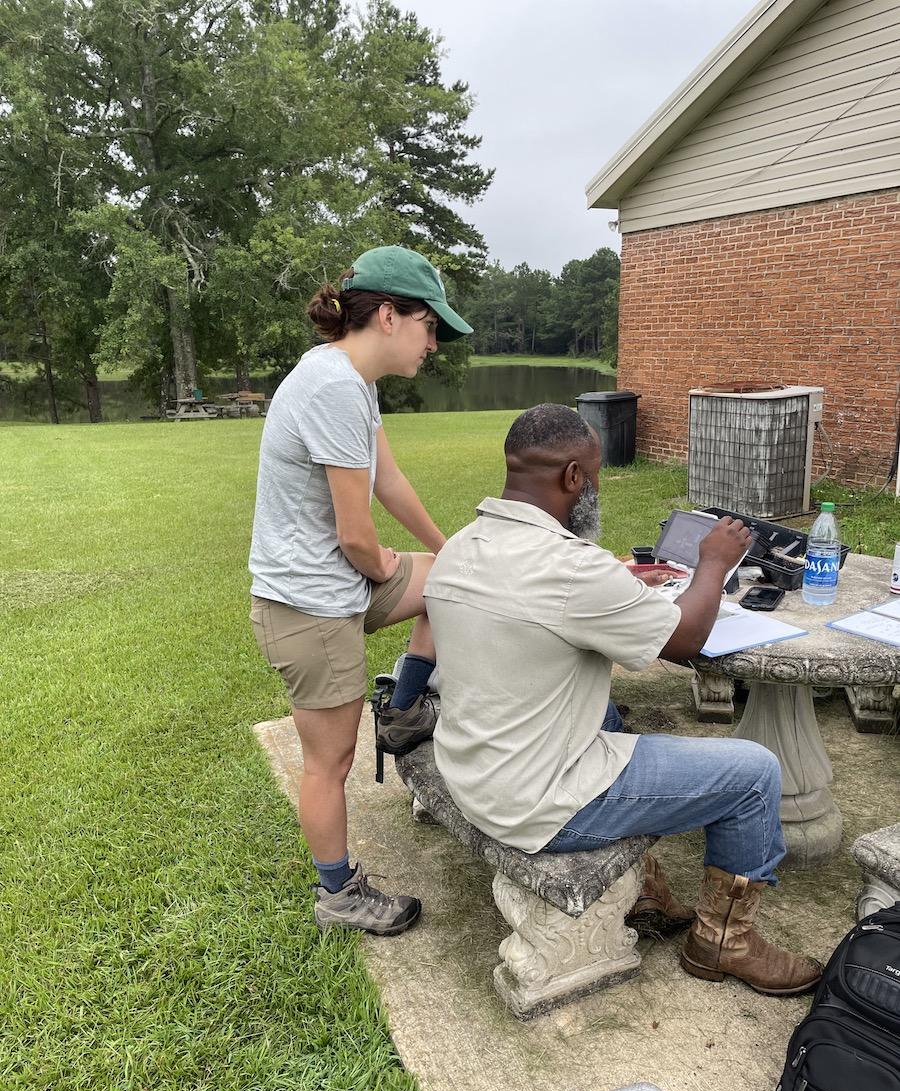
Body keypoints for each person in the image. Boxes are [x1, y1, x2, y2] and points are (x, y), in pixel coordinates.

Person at [424, 404, 823, 995]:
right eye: (595, 474)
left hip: (473, 771)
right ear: (572, 477)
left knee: (607, 711)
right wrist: (714, 562)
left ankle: (645, 888)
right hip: (536, 801)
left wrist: (623, 585)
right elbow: (683, 639)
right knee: (754, 772)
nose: (597, 486)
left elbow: (544, 605)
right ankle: (723, 941)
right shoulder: (570, 567)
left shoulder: (462, 545)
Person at [249, 245, 472, 936]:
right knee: (332, 759)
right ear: (388, 315)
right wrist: (384, 566)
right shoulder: (333, 388)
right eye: (429, 326)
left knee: (451, 584)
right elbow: (356, 538)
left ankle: (402, 712)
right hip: (309, 607)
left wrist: (449, 552)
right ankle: (338, 894)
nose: (434, 344)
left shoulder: (353, 380)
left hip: (341, 585)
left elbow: (389, 481)